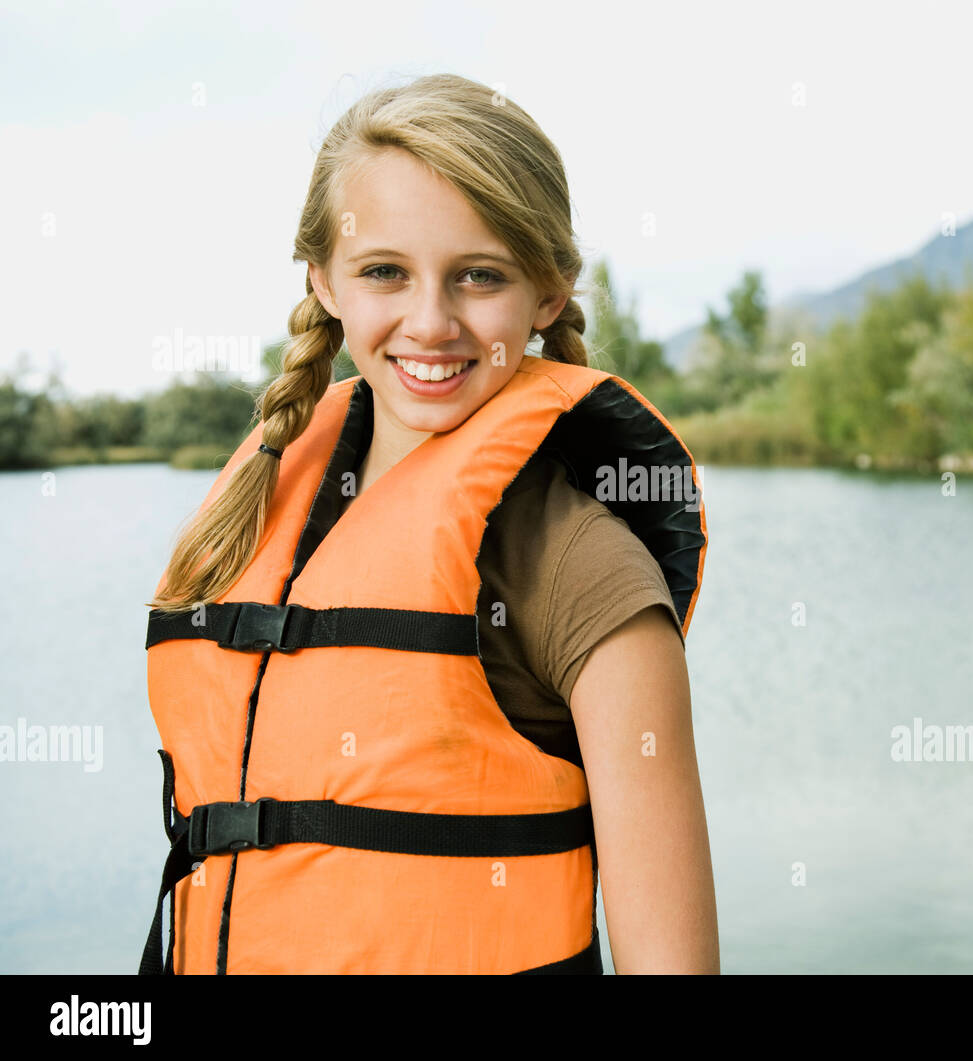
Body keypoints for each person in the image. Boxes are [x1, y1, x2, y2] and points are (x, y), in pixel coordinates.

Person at [138, 72, 717, 975]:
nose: (432, 322)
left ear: (550, 291)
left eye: (479, 276)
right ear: (324, 281)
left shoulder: (580, 568)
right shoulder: (257, 509)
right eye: (385, 272)